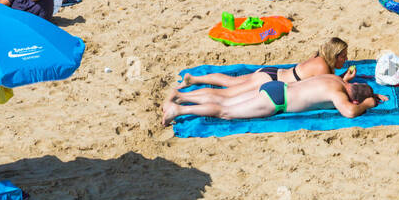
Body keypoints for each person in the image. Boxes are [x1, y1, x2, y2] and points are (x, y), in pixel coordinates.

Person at [162, 73, 383, 125]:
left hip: (275, 85)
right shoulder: (338, 96)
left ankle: (180, 96)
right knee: (225, 111)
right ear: (353, 98)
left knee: (225, 99)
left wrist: (373, 94)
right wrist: (367, 104)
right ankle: (178, 111)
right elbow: (349, 112)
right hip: (277, 100)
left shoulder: (335, 79)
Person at [178, 39, 350, 96]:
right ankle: (184, 97)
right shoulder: (322, 67)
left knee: (231, 81)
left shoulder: (318, 58)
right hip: (270, 80)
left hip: (271, 73)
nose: (346, 59)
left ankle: (193, 79)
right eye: (343, 56)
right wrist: (345, 80)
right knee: (227, 93)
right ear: (333, 56)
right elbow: (325, 88)